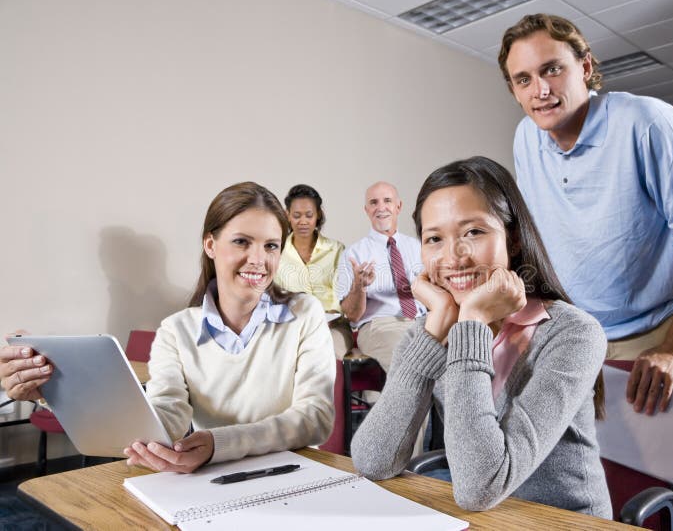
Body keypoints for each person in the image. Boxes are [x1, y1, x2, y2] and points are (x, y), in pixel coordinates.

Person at [499, 13, 673, 529]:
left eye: (553, 70)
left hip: (660, 334)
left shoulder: (647, 122)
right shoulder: (525, 138)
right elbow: (547, 241)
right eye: (524, 79)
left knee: (672, 491)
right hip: (581, 338)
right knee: (595, 487)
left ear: (585, 66)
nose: (540, 89)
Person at [0, 182, 335, 473]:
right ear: (210, 245)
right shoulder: (176, 331)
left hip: (295, 474)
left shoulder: (305, 314)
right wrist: (55, 389)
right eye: (242, 242)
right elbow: (167, 420)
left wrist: (219, 444)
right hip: (212, 479)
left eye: (271, 245)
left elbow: (315, 418)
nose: (258, 259)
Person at [351, 157, 611, 517]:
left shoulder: (573, 334)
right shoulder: (430, 330)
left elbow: (479, 486)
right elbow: (372, 460)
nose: (454, 257)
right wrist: (438, 328)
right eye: (434, 239)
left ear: (514, 239)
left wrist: (471, 320)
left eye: (473, 232)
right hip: (484, 521)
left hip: (560, 522)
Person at [335, 182, 426, 374]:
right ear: (366, 210)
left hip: (423, 323)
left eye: (387, 201)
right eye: (374, 203)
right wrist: (360, 286)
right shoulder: (354, 254)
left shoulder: (419, 248)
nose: (381, 208)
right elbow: (352, 315)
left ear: (398, 206)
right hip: (380, 326)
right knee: (409, 362)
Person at [275, 184, 352, 359]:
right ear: (287, 216)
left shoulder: (336, 250)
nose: (303, 221)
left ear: (318, 215)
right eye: (296, 215)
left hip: (333, 327)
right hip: (291, 327)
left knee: (322, 354)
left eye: (309, 215)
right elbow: (274, 296)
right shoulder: (276, 252)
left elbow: (343, 296)